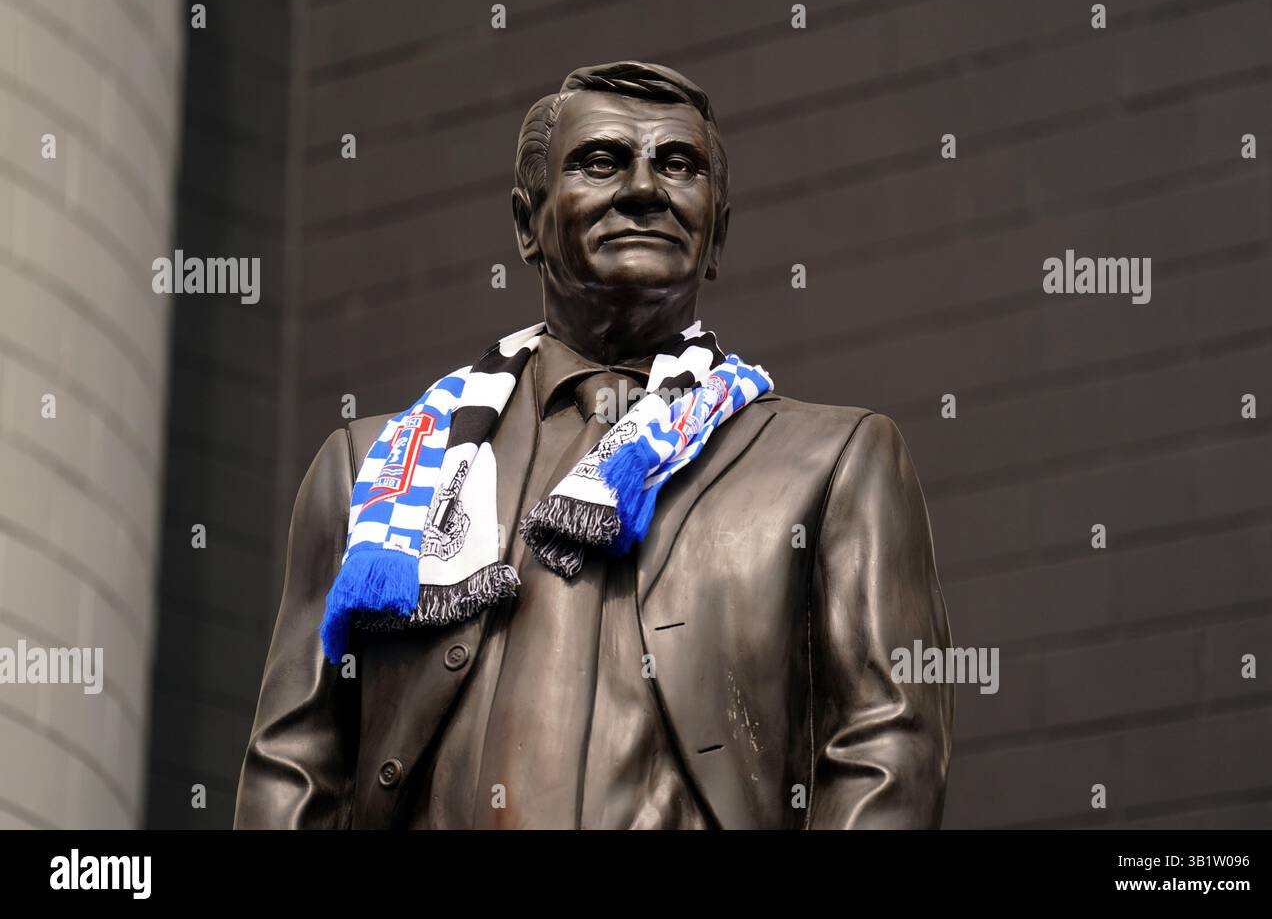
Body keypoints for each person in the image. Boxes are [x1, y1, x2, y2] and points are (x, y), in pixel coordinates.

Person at [234, 61, 953, 829]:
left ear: (718, 234)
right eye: (602, 161)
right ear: (526, 225)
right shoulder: (378, 472)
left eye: (680, 165)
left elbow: (887, 750)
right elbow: (294, 771)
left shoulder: (831, 464)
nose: (646, 188)